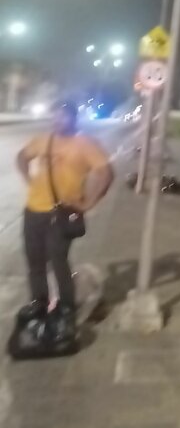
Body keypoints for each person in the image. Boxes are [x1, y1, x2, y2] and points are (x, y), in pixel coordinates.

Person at [16, 101, 113, 318]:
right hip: (33, 210)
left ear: (73, 118)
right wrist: (29, 179)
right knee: (35, 261)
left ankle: (67, 307)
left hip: (61, 213)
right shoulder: (43, 140)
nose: (57, 120)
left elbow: (106, 173)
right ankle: (39, 304)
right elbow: (22, 157)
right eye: (55, 116)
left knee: (58, 260)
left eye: (63, 116)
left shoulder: (85, 144)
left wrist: (88, 203)